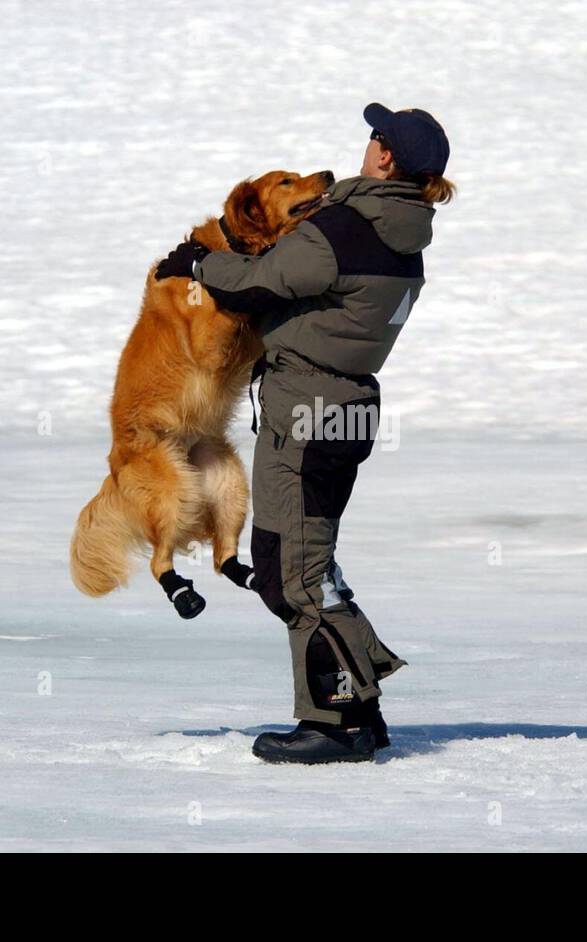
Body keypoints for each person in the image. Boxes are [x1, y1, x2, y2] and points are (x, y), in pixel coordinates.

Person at [155, 103, 455, 764]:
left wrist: (201, 263)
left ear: (387, 158)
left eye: (377, 137)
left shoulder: (346, 229)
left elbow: (261, 283)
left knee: (289, 575)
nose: (369, 142)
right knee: (305, 564)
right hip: (346, 411)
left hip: (307, 412)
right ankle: (360, 706)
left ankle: (334, 722)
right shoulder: (405, 236)